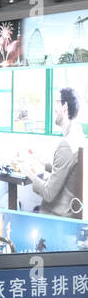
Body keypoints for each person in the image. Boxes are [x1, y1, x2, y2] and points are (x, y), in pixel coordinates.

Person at [29, 87, 85, 218]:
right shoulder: (78, 135)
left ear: (65, 106)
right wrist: (44, 163)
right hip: (69, 210)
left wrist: (28, 173)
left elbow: (48, 193)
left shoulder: (66, 145)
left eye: (56, 102)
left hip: (58, 214)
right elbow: (66, 171)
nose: (54, 108)